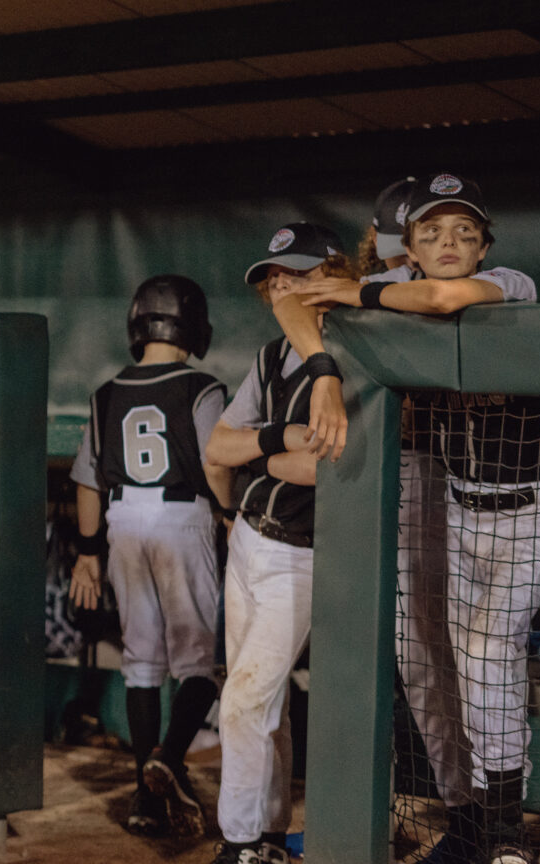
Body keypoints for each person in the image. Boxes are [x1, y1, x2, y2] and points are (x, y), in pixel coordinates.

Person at [289, 173, 540, 864]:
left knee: (484, 656)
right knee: (457, 664)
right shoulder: (398, 303)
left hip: (533, 509)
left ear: (484, 247)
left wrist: (359, 292)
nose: (450, 243)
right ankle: (488, 827)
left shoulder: (511, 281)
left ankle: (502, 834)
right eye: (433, 233)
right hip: (461, 508)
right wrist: (324, 369)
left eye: (464, 233)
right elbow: (291, 303)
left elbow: (447, 297)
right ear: (406, 248)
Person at [204, 222, 352, 864]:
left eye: (297, 270)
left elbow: (325, 465)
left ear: (333, 274)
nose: (282, 283)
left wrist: (260, 452)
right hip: (249, 540)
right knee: (260, 700)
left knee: (244, 700)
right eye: (273, 276)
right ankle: (265, 835)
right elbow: (217, 446)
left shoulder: (353, 350)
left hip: (307, 551)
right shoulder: (270, 358)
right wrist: (276, 442)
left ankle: (237, 846)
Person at [67, 275, 233, 839]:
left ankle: (145, 793)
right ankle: (168, 759)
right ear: (192, 323)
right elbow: (217, 464)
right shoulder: (202, 386)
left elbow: (88, 482)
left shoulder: (106, 391)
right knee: (201, 660)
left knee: (141, 659)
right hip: (181, 516)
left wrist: (87, 554)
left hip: (121, 522)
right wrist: (231, 514)